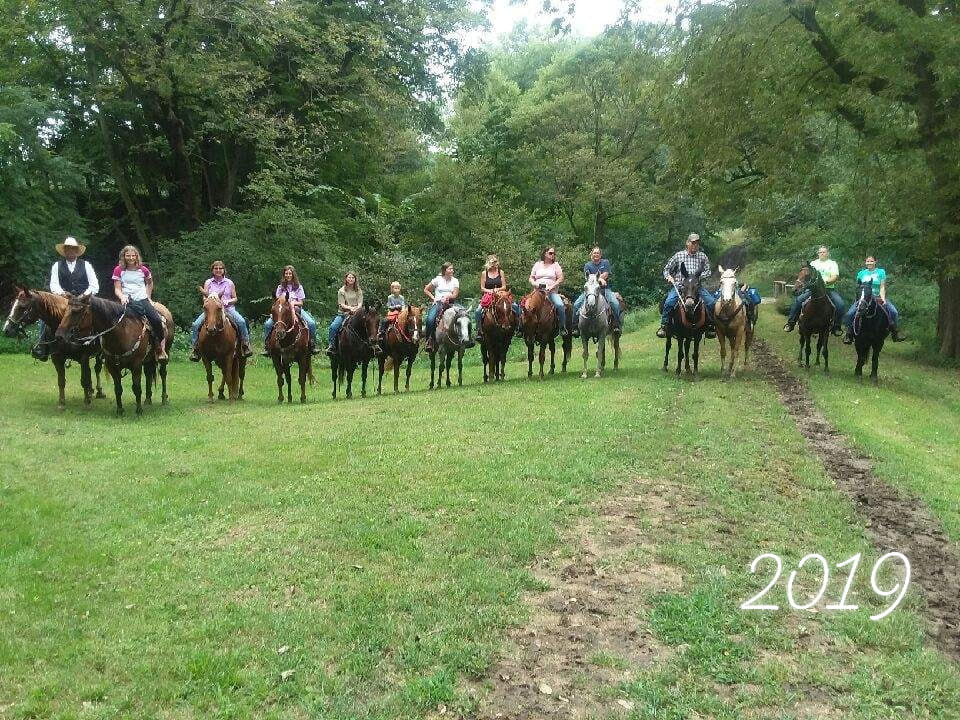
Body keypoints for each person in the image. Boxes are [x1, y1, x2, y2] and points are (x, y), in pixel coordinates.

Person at [33, 236, 100, 361]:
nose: (70, 251)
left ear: (77, 251)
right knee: (44, 316)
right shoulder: (56, 266)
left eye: (73, 249)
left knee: (98, 315)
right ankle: (42, 346)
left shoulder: (86, 265)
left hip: (83, 300)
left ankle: (99, 345)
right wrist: (63, 293)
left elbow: (94, 285)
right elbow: (54, 285)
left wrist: (83, 295)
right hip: (63, 300)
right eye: (68, 249)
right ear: (64, 251)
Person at [112, 245, 168, 361]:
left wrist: (148, 297)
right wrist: (122, 296)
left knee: (157, 320)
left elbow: (150, 283)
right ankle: (108, 350)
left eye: (133, 255)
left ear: (137, 256)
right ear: (124, 256)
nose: (131, 258)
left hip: (142, 299)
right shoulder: (118, 269)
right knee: (110, 321)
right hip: (126, 300)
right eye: (128, 255)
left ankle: (159, 347)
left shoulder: (143, 269)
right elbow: (117, 288)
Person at [188, 261, 253, 360]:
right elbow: (204, 298)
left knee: (241, 321)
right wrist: (210, 303)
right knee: (196, 324)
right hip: (212, 310)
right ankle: (195, 349)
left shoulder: (229, 283)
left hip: (227, 309)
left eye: (220, 268)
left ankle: (245, 345)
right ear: (212, 270)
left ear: (223, 270)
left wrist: (227, 301)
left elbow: (235, 298)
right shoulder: (208, 282)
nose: (218, 270)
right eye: (216, 268)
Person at [657, 233, 716, 339]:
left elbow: (708, 271)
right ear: (687, 243)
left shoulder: (702, 256)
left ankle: (710, 326)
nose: (695, 245)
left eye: (697, 243)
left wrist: (696, 278)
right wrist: (669, 277)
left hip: (697, 287)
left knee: (711, 302)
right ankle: (664, 326)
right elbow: (666, 269)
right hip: (680, 287)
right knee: (669, 302)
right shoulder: (678, 256)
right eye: (693, 243)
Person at [784, 245, 846, 334]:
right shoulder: (813, 264)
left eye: (824, 252)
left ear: (828, 253)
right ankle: (791, 323)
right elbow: (806, 276)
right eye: (820, 252)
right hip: (812, 290)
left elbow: (835, 276)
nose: (822, 254)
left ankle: (836, 327)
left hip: (828, 289)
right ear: (818, 254)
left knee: (840, 304)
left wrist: (826, 282)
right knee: (798, 300)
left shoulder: (832, 263)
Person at [843, 255, 905, 343]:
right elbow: (859, 288)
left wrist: (883, 298)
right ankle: (849, 334)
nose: (869, 263)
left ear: (875, 262)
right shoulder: (861, 273)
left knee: (894, 312)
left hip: (878, 297)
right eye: (868, 261)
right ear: (865, 262)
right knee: (850, 314)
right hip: (864, 299)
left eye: (871, 261)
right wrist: (859, 299)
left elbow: (882, 286)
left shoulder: (881, 272)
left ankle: (895, 333)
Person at [261, 265, 318, 355]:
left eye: (290, 273)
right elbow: (277, 302)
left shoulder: (298, 287)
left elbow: (301, 302)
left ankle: (312, 344)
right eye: (286, 273)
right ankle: (267, 346)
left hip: (296, 309)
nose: (288, 275)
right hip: (283, 311)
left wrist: (293, 303)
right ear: (284, 275)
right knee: (268, 324)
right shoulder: (280, 287)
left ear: (293, 275)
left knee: (311, 323)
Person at [572, 246, 622, 337]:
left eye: (597, 253)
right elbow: (588, 278)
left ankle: (616, 325)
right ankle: (575, 327)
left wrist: (599, 279)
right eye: (594, 253)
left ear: (600, 255)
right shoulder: (587, 265)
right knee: (576, 304)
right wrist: (599, 280)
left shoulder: (605, 262)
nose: (596, 254)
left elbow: (606, 274)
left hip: (604, 289)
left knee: (615, 303)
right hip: (591, 290)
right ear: (591, 255)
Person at [424, 262, 470, 351]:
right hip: (438, 303)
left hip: (451, 304)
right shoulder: (437, 279)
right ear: (445, 270)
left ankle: (468, 338)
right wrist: (433, 298)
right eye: (450, 269)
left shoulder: (455, 281)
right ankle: (429, 341)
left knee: (465, 315)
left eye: (452, 269)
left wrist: (448, 296)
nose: (452, 270)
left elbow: (455, 295)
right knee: (430, 319)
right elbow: (426, 290)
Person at [475, 255, 521, 340]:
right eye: (492, 262)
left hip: (501, 294)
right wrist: (491, 291)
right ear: (488, 263)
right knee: (478, 310)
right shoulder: (484, 273)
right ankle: (479, 330)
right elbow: (482, 288)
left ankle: (518, 327)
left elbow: (504, 286)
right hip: (488, 294)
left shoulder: (501, 272)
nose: (494, 264)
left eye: (495, 262)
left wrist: (497, 290)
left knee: (515, 306)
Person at [527, 246, 568, 335]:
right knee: (525, 305)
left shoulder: (555, 265)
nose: (552, 255)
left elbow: (561, 278)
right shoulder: (537, 264)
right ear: (545, 254)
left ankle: (562, 327)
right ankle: (522, 327)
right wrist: (534, 283)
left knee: (560, 305)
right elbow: (531, 277)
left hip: (551, 292)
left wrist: (552, 286)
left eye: (554, 253)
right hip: (537, 291)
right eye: (550, 253)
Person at [325, 272, 364, 356]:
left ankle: (371, 346)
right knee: (333, 327)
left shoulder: (358, 290)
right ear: (346, 279)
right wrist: (350, 308)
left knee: (369, 325)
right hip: (343, 314)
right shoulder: (341, 291)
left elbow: (360, 303)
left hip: (357, 314)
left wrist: (356, 309)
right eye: (349, 277)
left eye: (352, 278)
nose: (351, 279)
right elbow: (341, 304)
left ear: (355, 279)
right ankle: (331, 345)